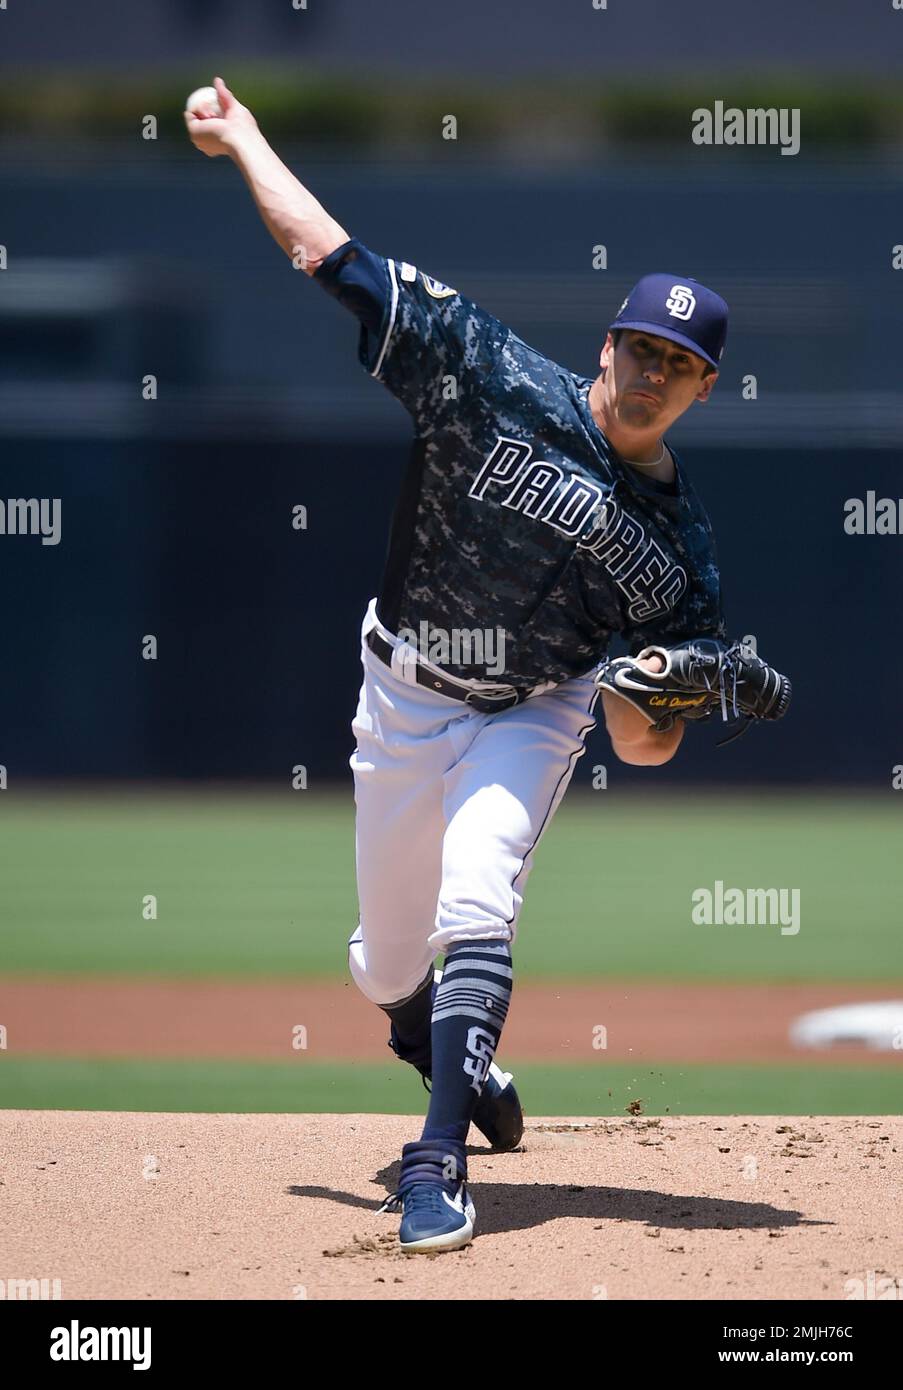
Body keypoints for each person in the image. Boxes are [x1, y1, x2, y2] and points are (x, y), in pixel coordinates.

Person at [186, 78, 730, 1253]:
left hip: (535, 708)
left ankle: (437, 1163)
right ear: (608, 344)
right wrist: (246, 138)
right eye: (640, 348)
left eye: (677, 364)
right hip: (403, 690)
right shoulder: (490, 373)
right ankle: (432, 1041)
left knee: (478, 889)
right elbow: (337, 261)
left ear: (704, 386)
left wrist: (645, 702)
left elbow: (645, 743)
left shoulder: (682, 552)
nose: (650, 373)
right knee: (386, 964)